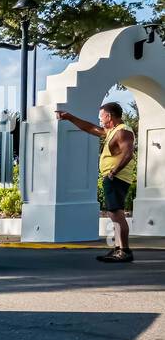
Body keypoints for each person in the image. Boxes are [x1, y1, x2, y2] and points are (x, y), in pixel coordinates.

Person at [56, 102, 137, 263]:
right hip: (113, 177)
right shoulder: (112, 131)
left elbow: (128, 153)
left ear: (110, 116)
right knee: (114, 213)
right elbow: (91, 128)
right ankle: (118, 248)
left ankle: (125, 251)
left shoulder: (123, 132)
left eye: (102, 116)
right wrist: (70, 117)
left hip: (117, 178)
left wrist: (114, 172)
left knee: (117, 214)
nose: (100, 119)